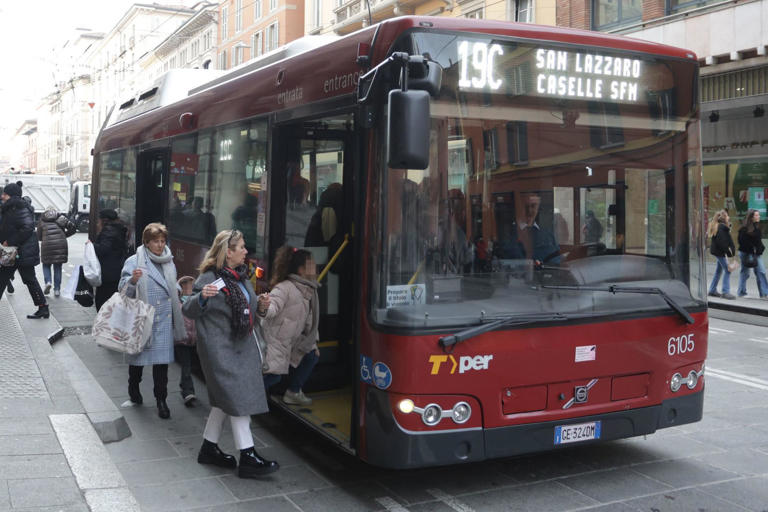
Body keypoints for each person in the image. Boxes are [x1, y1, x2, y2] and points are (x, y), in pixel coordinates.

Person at [182, 229, 279, 478]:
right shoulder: (208, 279)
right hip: (220, 351)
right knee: (237, 401)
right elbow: (189, 309)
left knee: (225, 402)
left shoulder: (240, 277)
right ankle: (248, 456)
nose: (246, 252)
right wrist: (201, 297)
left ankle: (208, 448)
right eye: (242, 247)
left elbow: (251, 308)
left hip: (241, 348)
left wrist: (262, 305)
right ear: (229, 251)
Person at [119, 223, 185, 419]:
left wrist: (179, 290)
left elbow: (171, 286)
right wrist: (132, 280)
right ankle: (134, 389)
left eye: (162, 241)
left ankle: (161, 400)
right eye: (155, 241)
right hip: (142, 318)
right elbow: (123, 291)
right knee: (138, 361)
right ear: (146, 243)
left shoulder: (169, 261)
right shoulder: (134, 261)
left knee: (161, 365)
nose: (159, 245)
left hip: (163, 318)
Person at [260, 245, 320, 406]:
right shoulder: (284, 287)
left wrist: (312, 344)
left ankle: (293, 391)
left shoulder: (308, 291)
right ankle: (246, 400)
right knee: (273, 376)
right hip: (274, 343)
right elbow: (272, 307)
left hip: (289, 342)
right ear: (301, 270)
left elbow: (310, 323)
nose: (315, 267)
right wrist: (264, 307)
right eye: (311, 264)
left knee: (312, 354)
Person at [0, 181, 49, 318]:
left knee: (28, 279)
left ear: (11, 195)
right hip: (13, 251)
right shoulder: (12, 207)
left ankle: (43, 307)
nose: (2, 196)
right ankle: (43, 307)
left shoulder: (19, 207)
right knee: (4, 277)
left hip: (20, 251)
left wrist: (10, 241)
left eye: (5, 194)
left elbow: (27, 227)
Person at [93, 209, 128, 311]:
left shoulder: (108, 231)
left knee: (102, 301)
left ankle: (105, 324)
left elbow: (103, 249)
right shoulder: (119, 229)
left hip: (108, 272)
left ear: (104, 220)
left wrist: (91, 245)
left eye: (99, 220)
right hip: (116, 270)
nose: (97, 223)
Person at [37, 207, 76, 297]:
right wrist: (64, 235)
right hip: (60, 244)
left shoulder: (42, 220)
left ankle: (48, 282)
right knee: (58, 267)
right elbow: (73, 228)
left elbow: (39, 236)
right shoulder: (60, 217)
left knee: (46, 265)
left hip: (47, 244)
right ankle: (57, 290)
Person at [176, 276, 198, 407]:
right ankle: (187, 392)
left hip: (194, 340)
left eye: (190, 286)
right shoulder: (178, 304)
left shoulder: (196, 303)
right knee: (186, 365)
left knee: (190, 365)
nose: (188, 289)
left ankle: (184, 384)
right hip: (182, 340)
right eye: (185, 286)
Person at [737, 209, 768, 298]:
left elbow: (758, 241)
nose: (759, 216)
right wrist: (752, 250)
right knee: (745, 273)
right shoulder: (744, 229)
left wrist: (761, 248)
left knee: (761, 272)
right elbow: (742, 241)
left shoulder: (757, 227)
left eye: (758, 215)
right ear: (751, 217)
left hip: (756, 254)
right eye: (757, 215)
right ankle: (741, 292)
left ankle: (764, 293)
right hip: (746, 253)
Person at [707, 210, 736, 299]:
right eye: (727, 216)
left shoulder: (721, 227)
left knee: (718, 271)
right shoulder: (721, 229)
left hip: (718, 252)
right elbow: (723, 243)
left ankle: (712, 290)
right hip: (720, 253)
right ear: (724, 219)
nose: (729, 217)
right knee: (728, 270)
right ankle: (725, 292)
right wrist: (728, 254)